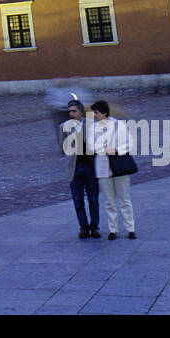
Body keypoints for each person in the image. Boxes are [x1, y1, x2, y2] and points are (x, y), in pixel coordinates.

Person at [90, 100, 136, 240]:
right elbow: (91, 146)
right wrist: (103, 148)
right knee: (109, 201)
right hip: (103, 168)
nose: (94, 115)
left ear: (104, 113)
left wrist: (116, 150)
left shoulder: (118, 125)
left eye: (96, 112)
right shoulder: (93, 128)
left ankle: (130, 228)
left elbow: (129, 143)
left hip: (119, 166)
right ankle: (113, 229)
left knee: (124, 199)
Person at [60, 98, 100, 239]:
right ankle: (83, 227)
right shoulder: (64, 126)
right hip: (75, 167)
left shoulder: (92, 125)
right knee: (78, 199)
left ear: (81, 112)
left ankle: (94, 227)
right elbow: (63, 146)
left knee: (93, 198)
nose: (71, 114)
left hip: (90, 165)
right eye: (69, 111)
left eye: (74, 111)